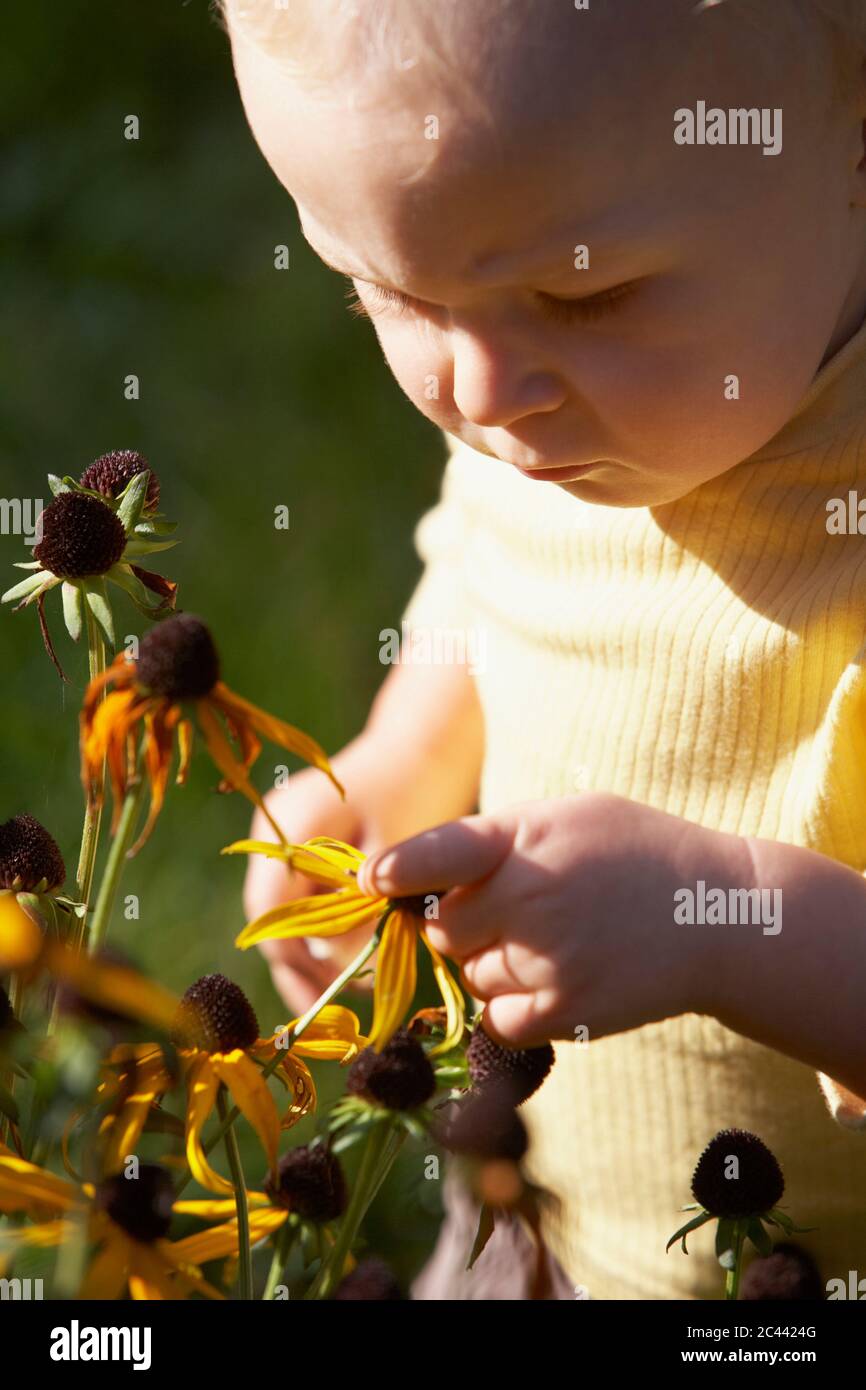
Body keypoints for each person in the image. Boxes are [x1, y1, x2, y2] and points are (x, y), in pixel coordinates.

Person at [220, 0, 866, 1297]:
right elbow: (488, 566)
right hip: (540, 1225)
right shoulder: (545, 406)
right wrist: (395, 765)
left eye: (586, 291)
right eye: (383, 288)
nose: (472, 391)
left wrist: (713, 918)